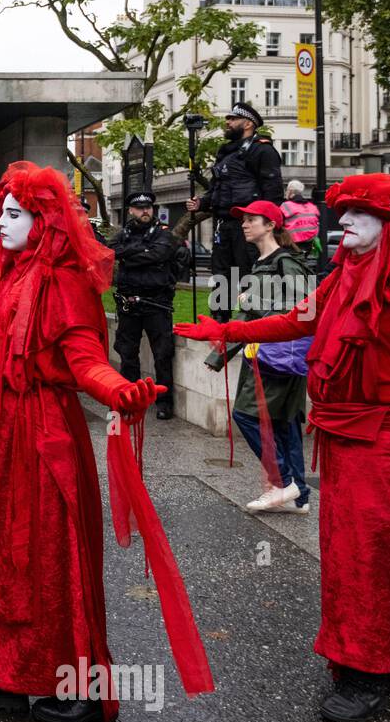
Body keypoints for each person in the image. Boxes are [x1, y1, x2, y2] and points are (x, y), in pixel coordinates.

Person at [0, 161, 214, 722]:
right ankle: (8, 675)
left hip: (43, 439)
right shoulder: (9, 273)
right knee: (6, 559)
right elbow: (7, 344)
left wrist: (120, 390)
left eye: (16, 214)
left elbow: (83, 359)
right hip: (4, 436)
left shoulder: (63, 280)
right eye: (2, 211)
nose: (2, 221)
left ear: (45, 222)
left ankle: (79, 685)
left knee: (50, 559)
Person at [177, 173, 390, 722]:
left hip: (382, 439)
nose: (345, 222)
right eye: (344, 212)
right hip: (344, 434)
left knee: (372, 554)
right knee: (346, 551)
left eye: (359, 214)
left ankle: (372, 672)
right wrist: (230, 329)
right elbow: (296, 319)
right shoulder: (345, 275)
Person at [206, 200, 313, 513]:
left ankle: (283, 483)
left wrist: (254, 299)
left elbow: (300, 312)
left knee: (246, 415)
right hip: (268, 355)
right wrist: (219, 355)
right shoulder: (265, 262)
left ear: (270, 226)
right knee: (285, 423)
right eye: (243, 220)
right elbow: (252, 315)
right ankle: (300, 496)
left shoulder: (286, 263)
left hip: (275, 358)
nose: (244, 224)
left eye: (252, 219)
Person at [186, 103, 283, 322]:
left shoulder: (262, 150)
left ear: (248, 124)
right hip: (224, 226)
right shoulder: (226, 153)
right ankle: (219, 324)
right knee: (221, 277)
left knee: (250, 275)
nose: (227, 123)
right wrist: (201, 203)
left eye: (233, 119)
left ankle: (252, 322)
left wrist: (267, 226)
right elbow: (217, 189)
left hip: (249, 227)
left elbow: (273, 194)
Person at [111, 190, 180, 420]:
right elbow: (112, 252)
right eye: (140, 208)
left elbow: (159, 255)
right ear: (131, 211)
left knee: (162, 355)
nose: (145, 211)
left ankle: (164, 403)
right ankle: (131, 397)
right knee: (127, 353)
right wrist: (140, 252)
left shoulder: (163, 234)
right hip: (129, 304)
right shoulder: (123, 234)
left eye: (148, 208)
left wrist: (128, 256)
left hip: (156, 303)